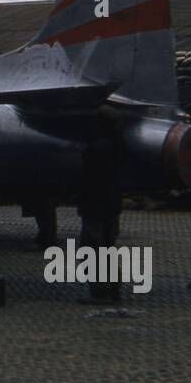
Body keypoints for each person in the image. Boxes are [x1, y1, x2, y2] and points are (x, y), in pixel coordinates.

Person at [78, 104, 125, 305]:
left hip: (95, 203)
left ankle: (99, 291)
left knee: (92, 248)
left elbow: (90, 177)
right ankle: (114, 288)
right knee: (108, 247)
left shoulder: (97, 146)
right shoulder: (119, 144)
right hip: (111, 203)